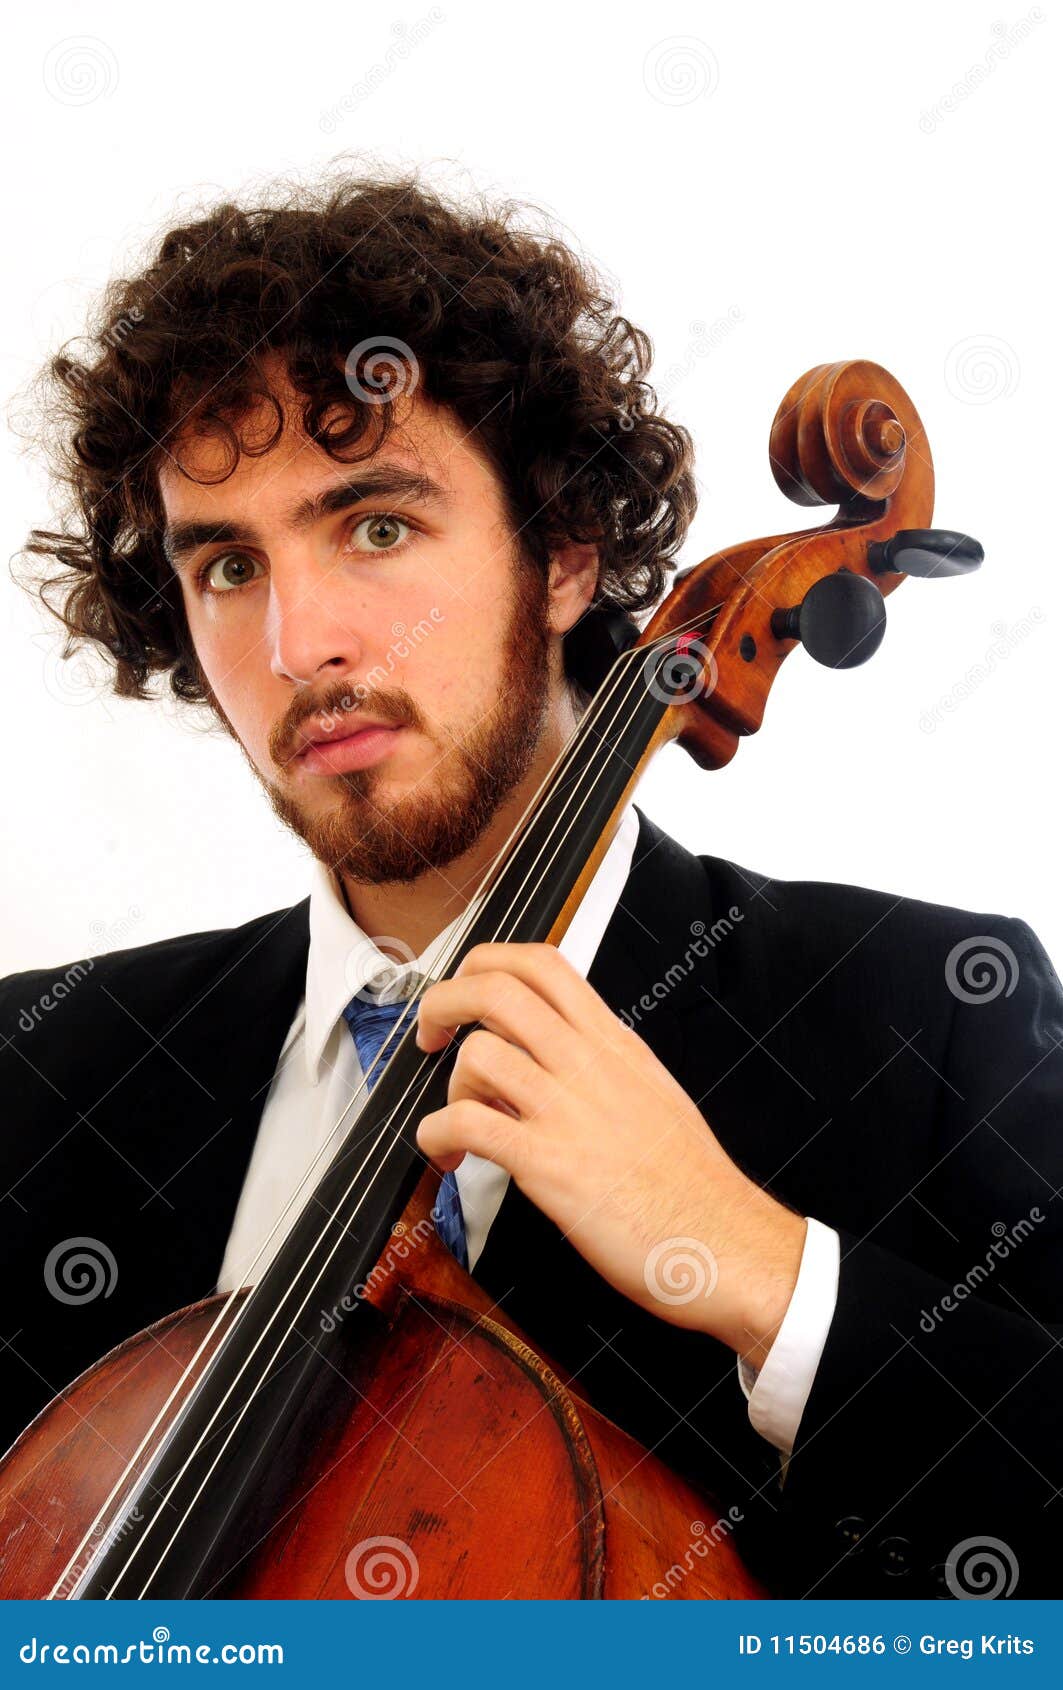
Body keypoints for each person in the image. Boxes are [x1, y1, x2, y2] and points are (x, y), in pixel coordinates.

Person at [3, 169, 1060, 1600]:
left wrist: (757, 1263)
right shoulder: (42, 1073)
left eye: (377, 527)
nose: (300, 641)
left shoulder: (924, 1018)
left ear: (563, 554)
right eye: (230, 566)